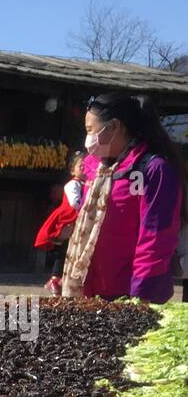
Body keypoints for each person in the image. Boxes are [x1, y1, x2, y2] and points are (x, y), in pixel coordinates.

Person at [62, 94, 186, 304]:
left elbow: (155, 237)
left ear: (114, 127)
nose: (88, 138)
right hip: (89, 290)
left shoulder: (153, 170)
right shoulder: (95, 168)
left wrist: (141, 296)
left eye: (90, 130)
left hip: (126, 294)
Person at [35, 152, 85, 295]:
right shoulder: (72, 184)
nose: (83, 167)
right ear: (72, 170)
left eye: (86, 165)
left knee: (72, 251)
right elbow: (75, 202)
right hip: (67, 220)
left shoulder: (86, 184)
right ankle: (55, 279)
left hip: (77, 220)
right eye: (80, 165)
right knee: (63, 251)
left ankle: (66, 279)